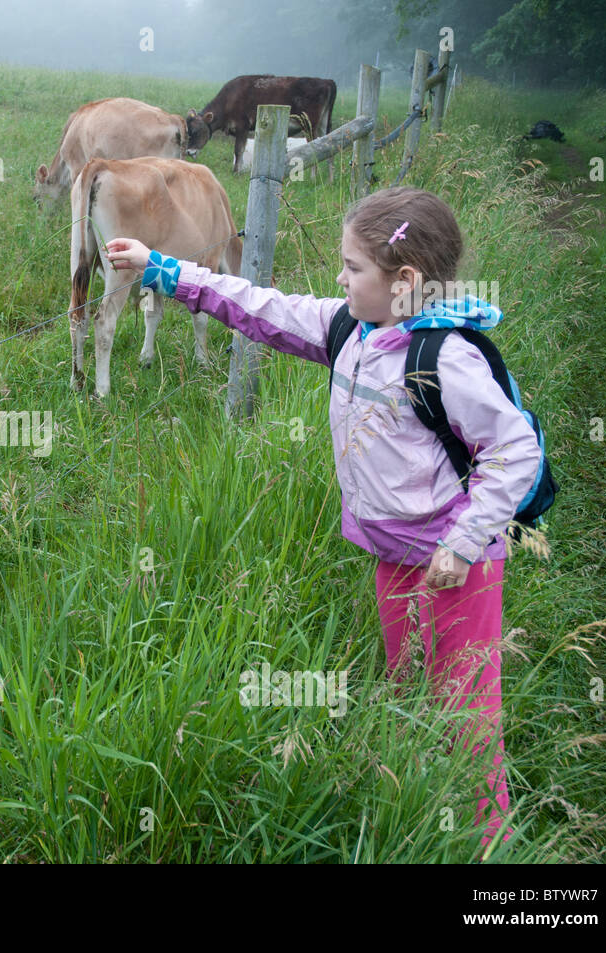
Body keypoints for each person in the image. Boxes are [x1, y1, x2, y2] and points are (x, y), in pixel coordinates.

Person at [106, 186, 542, 852]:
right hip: (394, 556)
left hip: (460, 567)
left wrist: (460, 543)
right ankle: (424, 815)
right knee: (409, 689)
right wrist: (163, 269)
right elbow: (262, 307)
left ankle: (491, 847)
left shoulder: (444, 360)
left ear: (405, 282)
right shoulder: (349, 327)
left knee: (467, 712)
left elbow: (513, 450)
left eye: (353, 267)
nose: (339, 278)